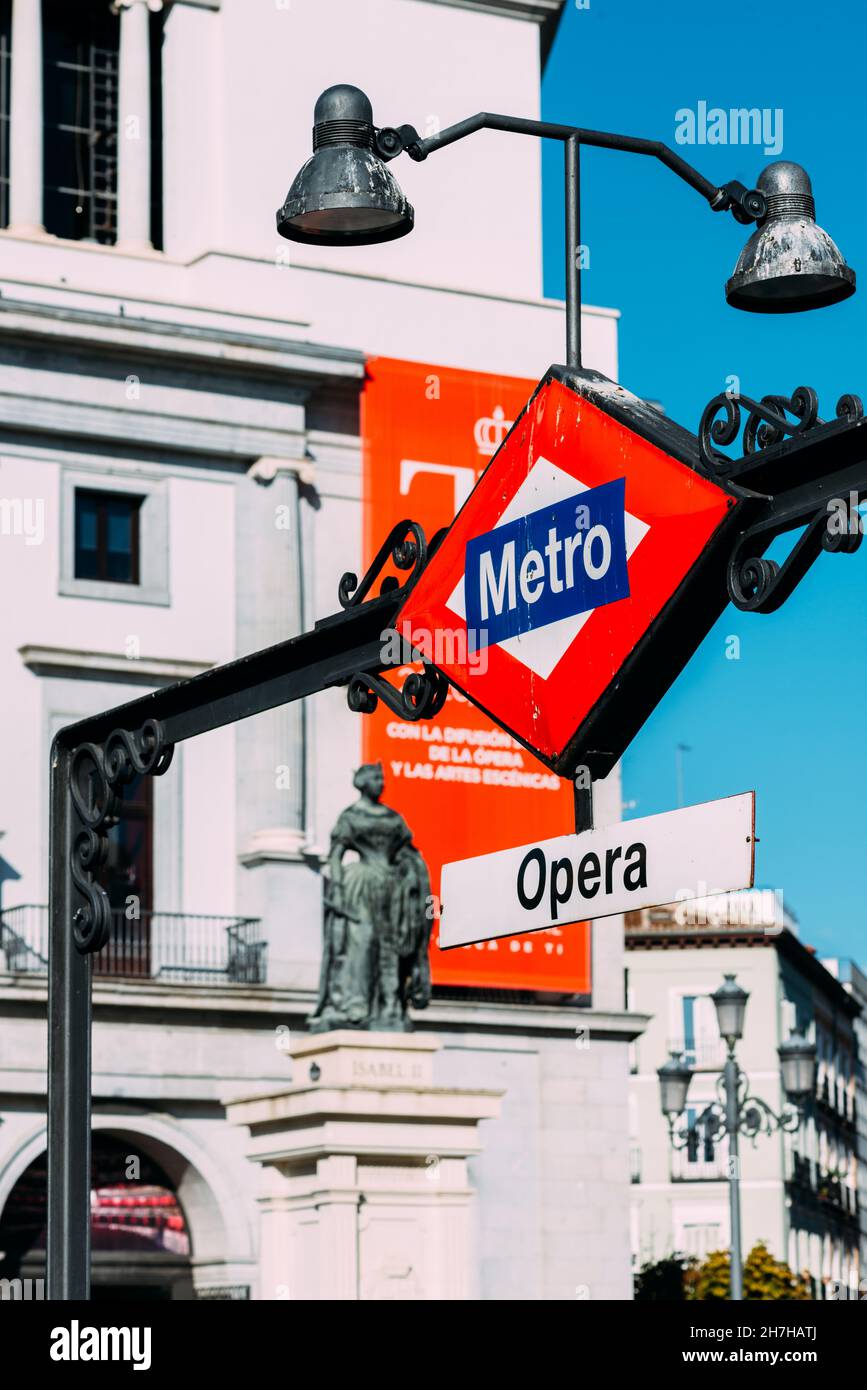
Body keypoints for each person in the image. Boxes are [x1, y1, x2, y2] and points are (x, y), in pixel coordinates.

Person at [309, 763, 432, 1032]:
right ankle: (356, 1004)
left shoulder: (393, 818)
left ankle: (390, 1006)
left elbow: (408, 852)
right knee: (361, 943)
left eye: (382, 778)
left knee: (391, 948)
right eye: (376, 778)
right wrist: (338, 889)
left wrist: (412, 874)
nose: (381, 783)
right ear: (363, 782)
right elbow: (336, 857)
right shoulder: (351, 816)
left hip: (392, 888)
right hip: (361, 886)